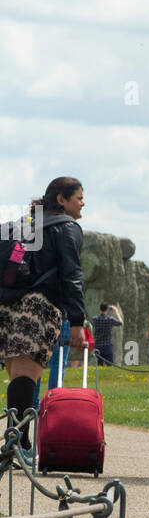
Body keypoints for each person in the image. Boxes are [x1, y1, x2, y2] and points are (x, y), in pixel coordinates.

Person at [0, 177, 88, 460]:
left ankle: (15, 440)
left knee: (16, 374)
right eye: (79, 197)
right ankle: (19, 444)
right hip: (39, 305)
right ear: (61, 200)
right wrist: (76, 321)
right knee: (27, 375)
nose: (82, 203)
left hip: (6, 304)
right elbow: (72, 274)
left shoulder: (22, 224)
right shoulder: (66, 228)